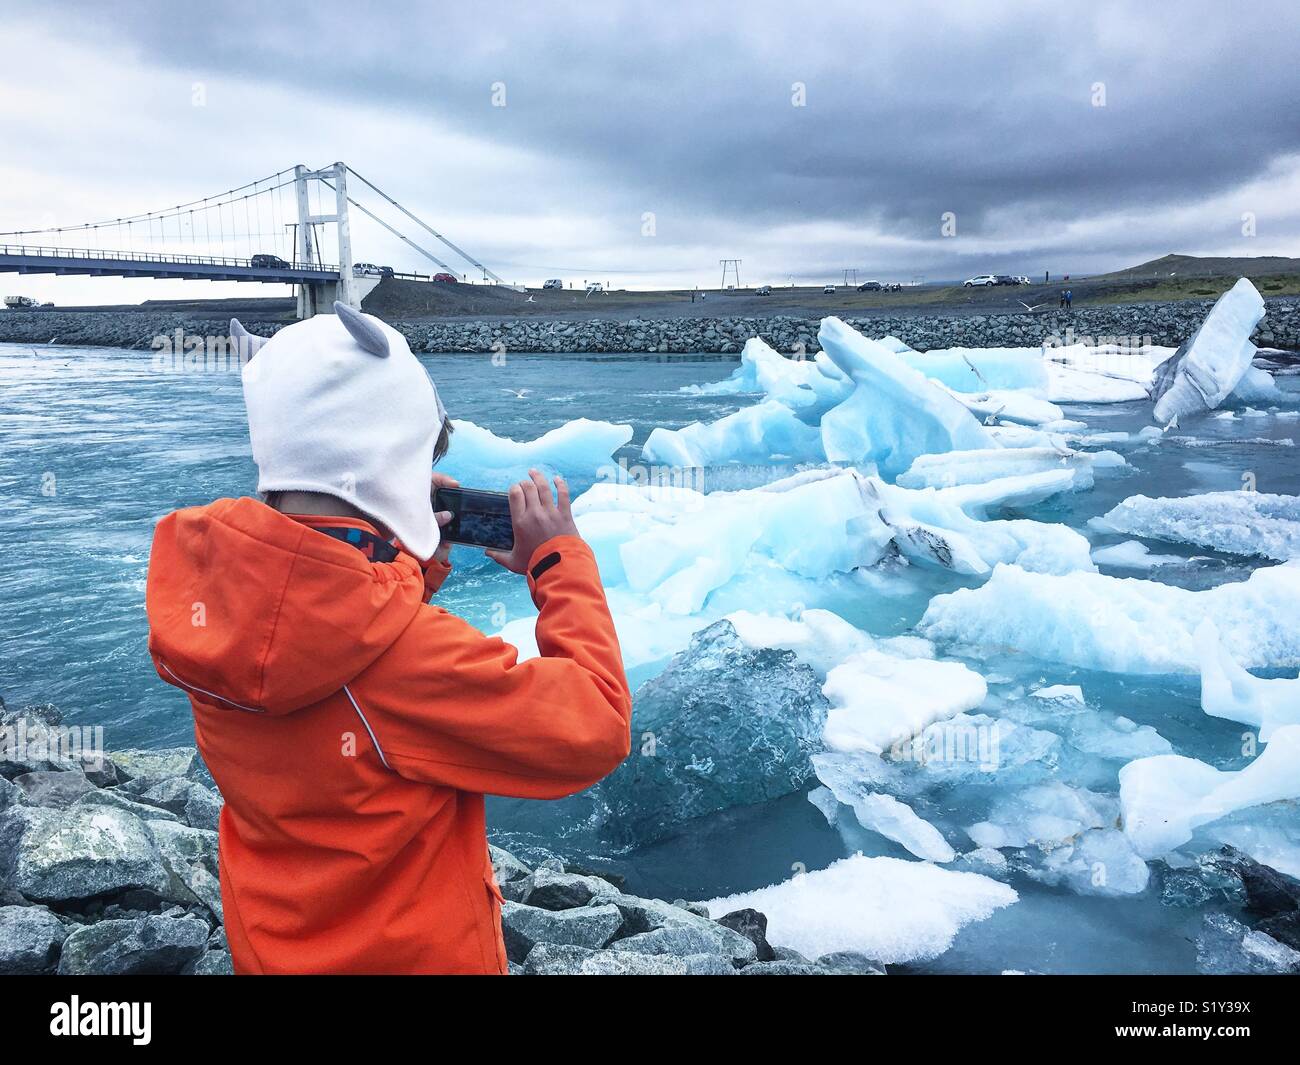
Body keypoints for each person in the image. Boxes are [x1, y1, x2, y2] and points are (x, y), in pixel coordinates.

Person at [145, 303, 631, 974]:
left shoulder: (224, 599)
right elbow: (595, 724)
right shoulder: (408, 660)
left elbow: (335, 636)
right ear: (390, 461)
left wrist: (412, 557)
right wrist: (559, 562)